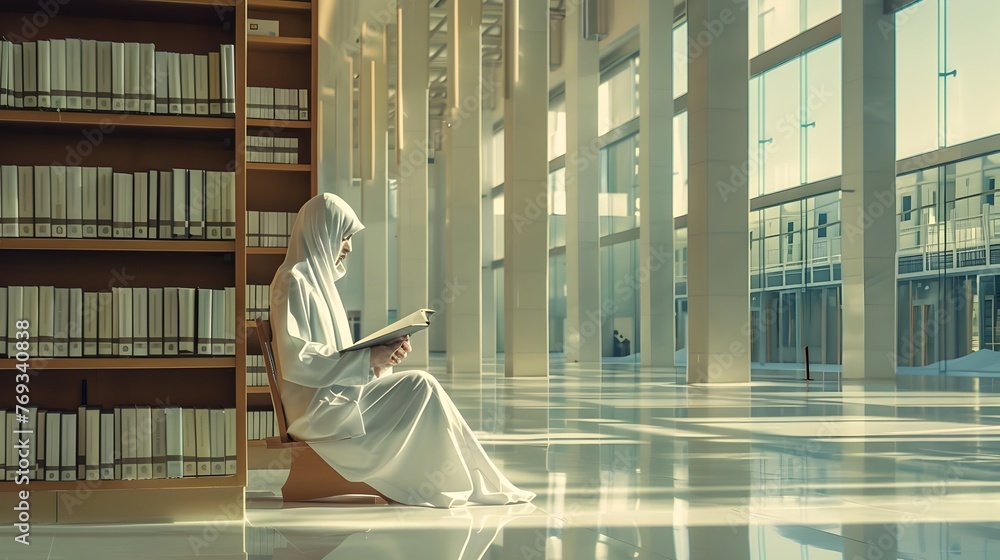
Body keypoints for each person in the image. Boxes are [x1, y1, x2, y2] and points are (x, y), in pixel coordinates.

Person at [269, 193, 535, 508]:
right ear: (321, 231)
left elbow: (330, 354)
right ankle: (461, 481)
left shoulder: (317, 283)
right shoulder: (293, 281)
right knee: (422, 385)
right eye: (345, 236)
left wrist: (380, 359)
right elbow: (299, 359)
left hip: (331, 398)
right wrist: (369, 357)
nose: (349, 247)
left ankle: (467, 480)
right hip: (316, 411)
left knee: (423, 386)